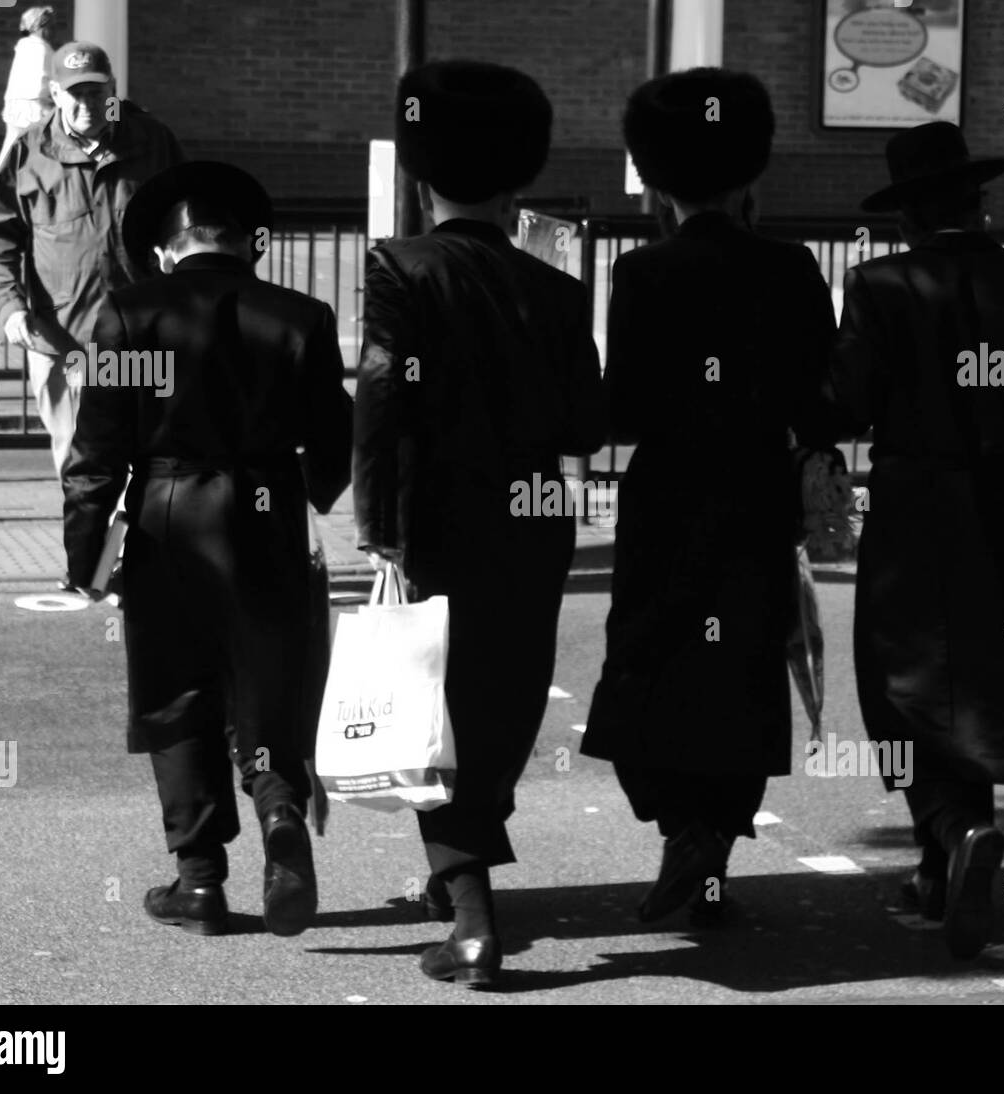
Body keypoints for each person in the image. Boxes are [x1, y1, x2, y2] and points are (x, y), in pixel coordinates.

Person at [827, 121, 1004, 958]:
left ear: (906, 215)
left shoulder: (879, 285)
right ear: (978, 202)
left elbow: (847, 405)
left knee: (899, 686)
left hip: (915, 505)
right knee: (986, 683)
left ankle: (953, 831)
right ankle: (945, 859)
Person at [353, 60, 605, 985]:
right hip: (537, 517)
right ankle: (460, 866)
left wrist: (377, 519)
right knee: (502, 697)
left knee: (435, 705)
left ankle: (469, 912)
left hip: (439, 516)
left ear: (423, 178)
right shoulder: (559, 290)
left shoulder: (399, 266)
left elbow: (382, 396)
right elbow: (587, 425)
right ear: (518, 182)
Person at [61, 161, 355, 938]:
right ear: (247, 245)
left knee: (176, 693)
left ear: (165, 250)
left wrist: (85, 555)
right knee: (270, 678)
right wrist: (312, 493)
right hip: (268, 513)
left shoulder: (128, 316)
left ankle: (199, 882)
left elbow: (96, 451)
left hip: (168, 519)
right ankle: (280, 807)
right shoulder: (302, 317)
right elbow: (334, 441)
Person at [580, 68, 840, 926]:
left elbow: (621, 409)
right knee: (740, 673)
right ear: (750, 171)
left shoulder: (643, 271)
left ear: (655, 177)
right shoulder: (793, 267)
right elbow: (824, 401)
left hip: (668, 496)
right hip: (757, 493)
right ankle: (712, 849)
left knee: (645, 668)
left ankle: (683, 832)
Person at [0, 41, 183, 488]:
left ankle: (133, 554)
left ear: (114, 89)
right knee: (81, 466)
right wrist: (11, 306)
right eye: (75, 93)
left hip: (141, 335)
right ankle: (93, 557)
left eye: (96, 92)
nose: (87, 103)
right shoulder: (30, 153)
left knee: (150, 458)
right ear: (55, 92)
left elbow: (188, 221)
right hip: (64, 340)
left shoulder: (153, 141)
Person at [0, 6, 56, 173]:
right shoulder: (42, 49)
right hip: (33, 107)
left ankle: (1, 177)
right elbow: (45, 82)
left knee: (11, 146)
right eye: (49, 25)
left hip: (15, 105)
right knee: (35, 148)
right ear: (40, 26)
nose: (51, 30)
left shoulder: (23, 47)